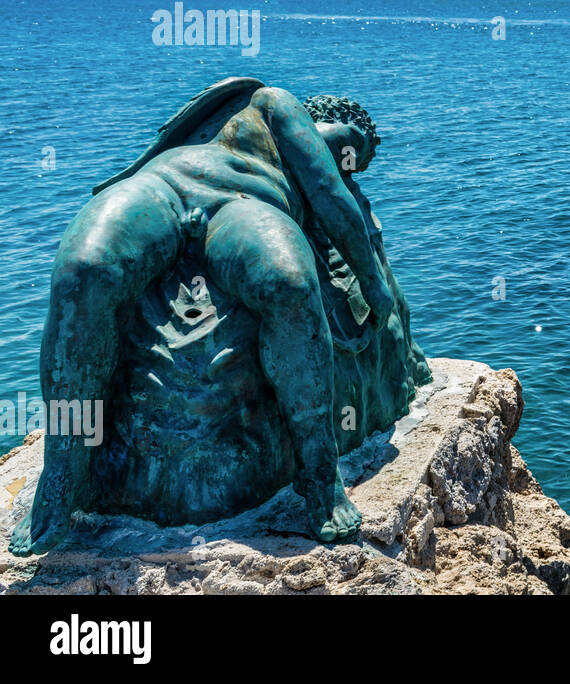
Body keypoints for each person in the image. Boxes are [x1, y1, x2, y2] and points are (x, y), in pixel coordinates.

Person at [10, 84, 394, 555]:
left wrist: (371, 283)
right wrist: (375, 286)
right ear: (323, 117)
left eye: (361, 160)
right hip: (164, 186)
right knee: (82, 273)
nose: (351, 158)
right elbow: (332, 195)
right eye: (353, 141)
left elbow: (330, 196)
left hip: (246, 202)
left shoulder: (272, 177)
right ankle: (65, 466)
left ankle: (318, 470)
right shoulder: (271, 102)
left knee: (289, 285)